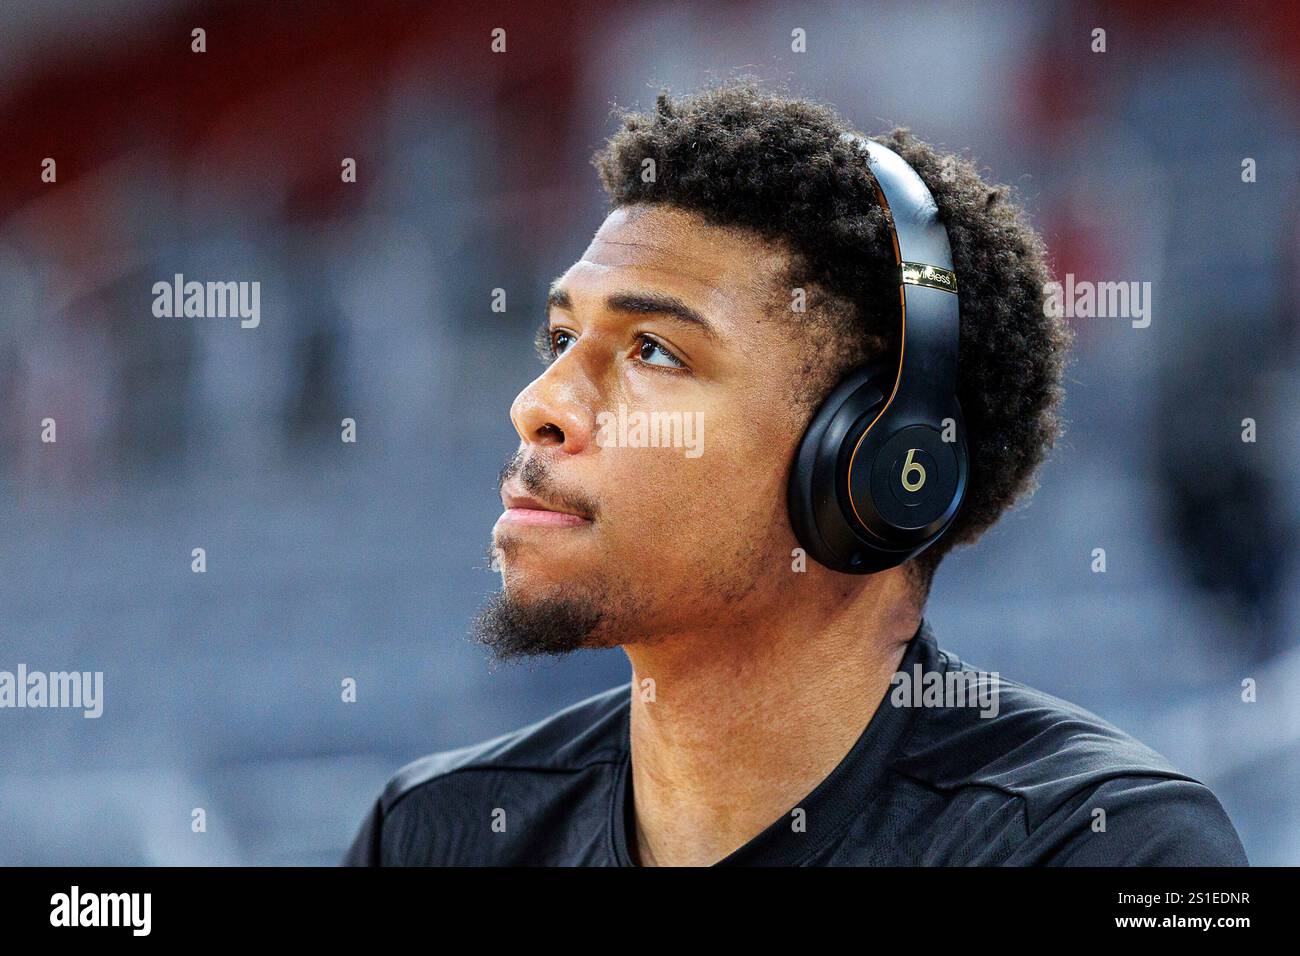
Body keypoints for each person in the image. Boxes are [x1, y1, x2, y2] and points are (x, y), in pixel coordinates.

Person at [344, 80, 1247, 866]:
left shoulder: (1115, 847)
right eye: (562, 339)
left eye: (654, 350)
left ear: (880, 464)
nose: (538, 402)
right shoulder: (432, 832)